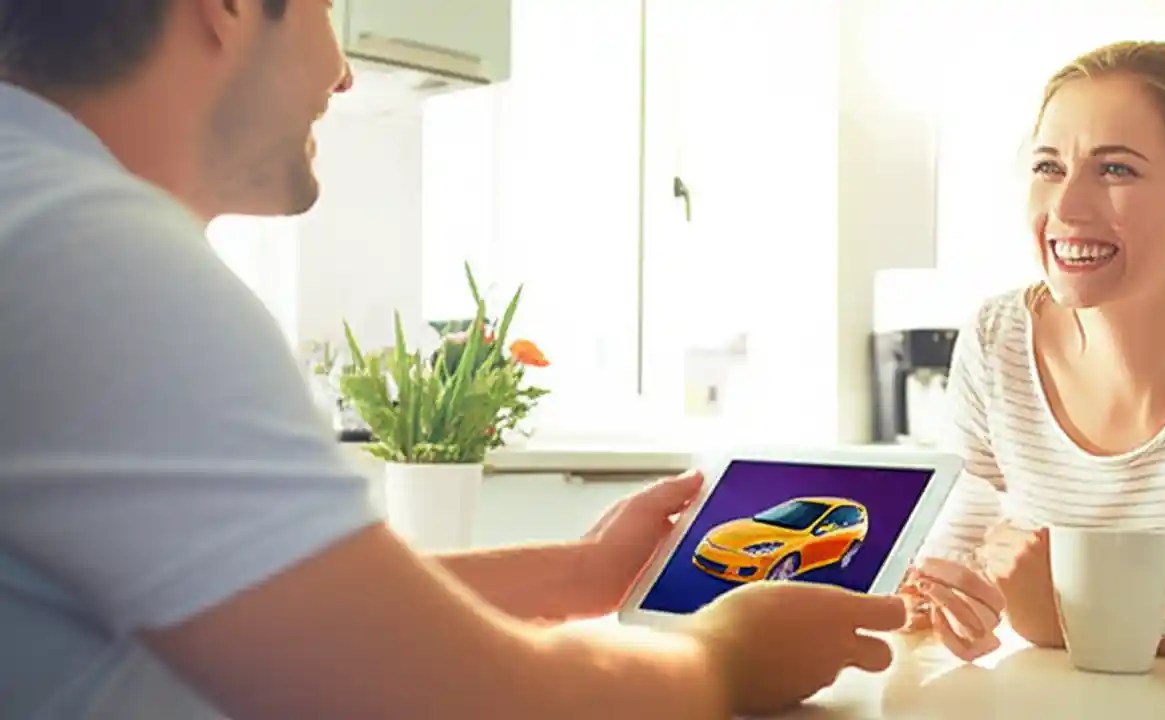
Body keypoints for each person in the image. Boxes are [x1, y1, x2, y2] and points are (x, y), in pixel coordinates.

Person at [0, 2, 1015, 718]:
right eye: (325, 6)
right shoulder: (94, 253)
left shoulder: (40, 213)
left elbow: (306, 616)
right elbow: (449, 697)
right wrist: (722, 661)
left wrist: (571, 574)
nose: (342, 72)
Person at [910, 39, 1165, 663]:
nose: (1066, 207)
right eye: (1049, 167)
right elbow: (948, 556)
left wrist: (1073, 613)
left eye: (1116, 170)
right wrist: (938, 599)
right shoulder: (997, 340)